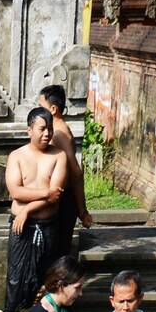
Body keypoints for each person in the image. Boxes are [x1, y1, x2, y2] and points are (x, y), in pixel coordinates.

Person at [0, 108, 68, 312]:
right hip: (21, 227)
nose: (47, 134)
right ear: (29, 130)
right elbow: (16, 191)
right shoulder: (17, 155)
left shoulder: (59, 156)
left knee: (46, 277)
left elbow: (57, 197)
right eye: (42, 129)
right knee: (16, 277)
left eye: (50, 129)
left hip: (47, 225)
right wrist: (45, 193)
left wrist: (27, 209)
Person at [37, 84, 93, 248]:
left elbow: (76, 172)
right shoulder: (53, 130)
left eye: (41, 107)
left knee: (57, 253)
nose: (38, 111)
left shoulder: (60, 133)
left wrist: (82, 210)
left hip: (63, 201)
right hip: (51, 199)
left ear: (53, 109)